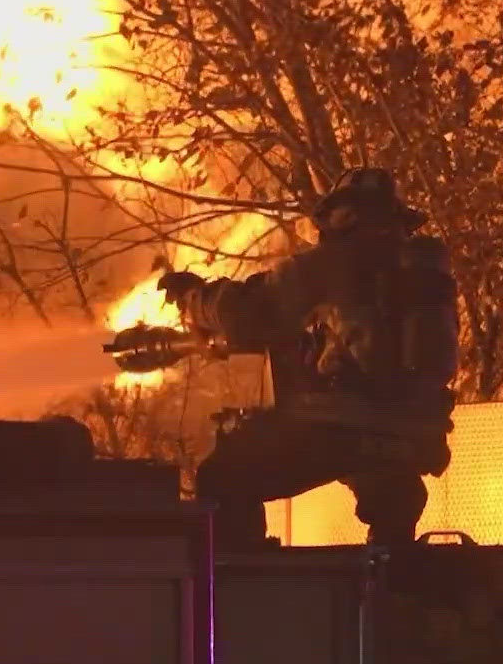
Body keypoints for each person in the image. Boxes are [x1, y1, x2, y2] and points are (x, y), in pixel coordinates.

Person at [158, 166, 458, 551]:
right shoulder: (424, 270)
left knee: (224, 477)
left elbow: (249, 311)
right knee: (390, 504)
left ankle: (240, 587)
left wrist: (194, 299)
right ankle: (396, 575)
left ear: (342, 215)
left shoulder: (332, 263)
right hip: (415, 430)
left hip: (342, 424)